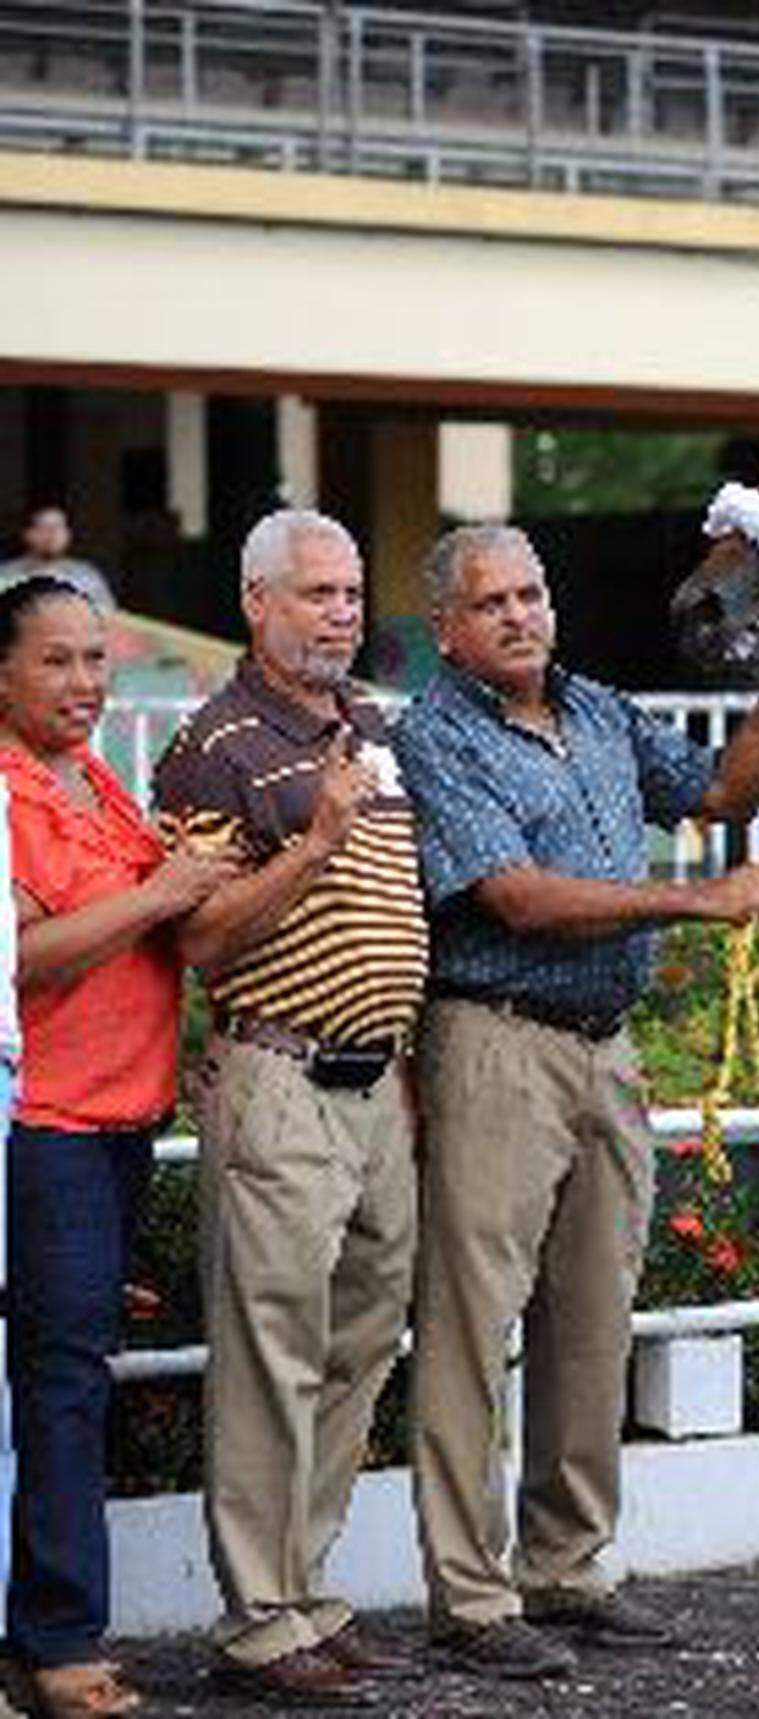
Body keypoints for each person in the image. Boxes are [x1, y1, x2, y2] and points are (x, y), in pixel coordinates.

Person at [393, 524, 759, 1680]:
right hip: (494, 1040)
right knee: (472, 1327)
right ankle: (471, 1601)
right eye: (492, 603)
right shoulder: (435, 735)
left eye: (531, 594)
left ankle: (567, 1570)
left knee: (591, 1318)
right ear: (448, 631)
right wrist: (700, 903)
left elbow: (724, 790)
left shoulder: (603, 712)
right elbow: (516, 899)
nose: (520, 615)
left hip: (603, 1050)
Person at [151, 508, 431, 1704]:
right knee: (271, 1357)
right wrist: (312, 844)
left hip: (376, 1090)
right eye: (317, 593)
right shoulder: (214, 745)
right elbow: (198, 939)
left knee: (358, 1347)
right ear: (256, 602)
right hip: (278, 1077)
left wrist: (406, 1069)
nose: (342, 612)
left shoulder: (371, 726)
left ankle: (306, 1591)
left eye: (353, 592)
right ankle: (259, 1622)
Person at [2, 577, 235, 1719]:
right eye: (56, 660)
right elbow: (22, 959)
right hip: (45, 1124)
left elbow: (157, 928)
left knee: (74, 1373)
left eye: (96, 659)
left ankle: (46, 1627)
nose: (86, 682)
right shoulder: (6, 792)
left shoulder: (93, 781)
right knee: (60, 1380)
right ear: (1, 674)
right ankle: (55, 1641)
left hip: (121, 1122)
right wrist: (164, 894)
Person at [0, 511, 113, 613]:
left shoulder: (86, 576)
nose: (52, 534)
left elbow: (107, 615)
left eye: (59, 527)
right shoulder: (6, 575)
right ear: (28, 534)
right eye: (44, 528)